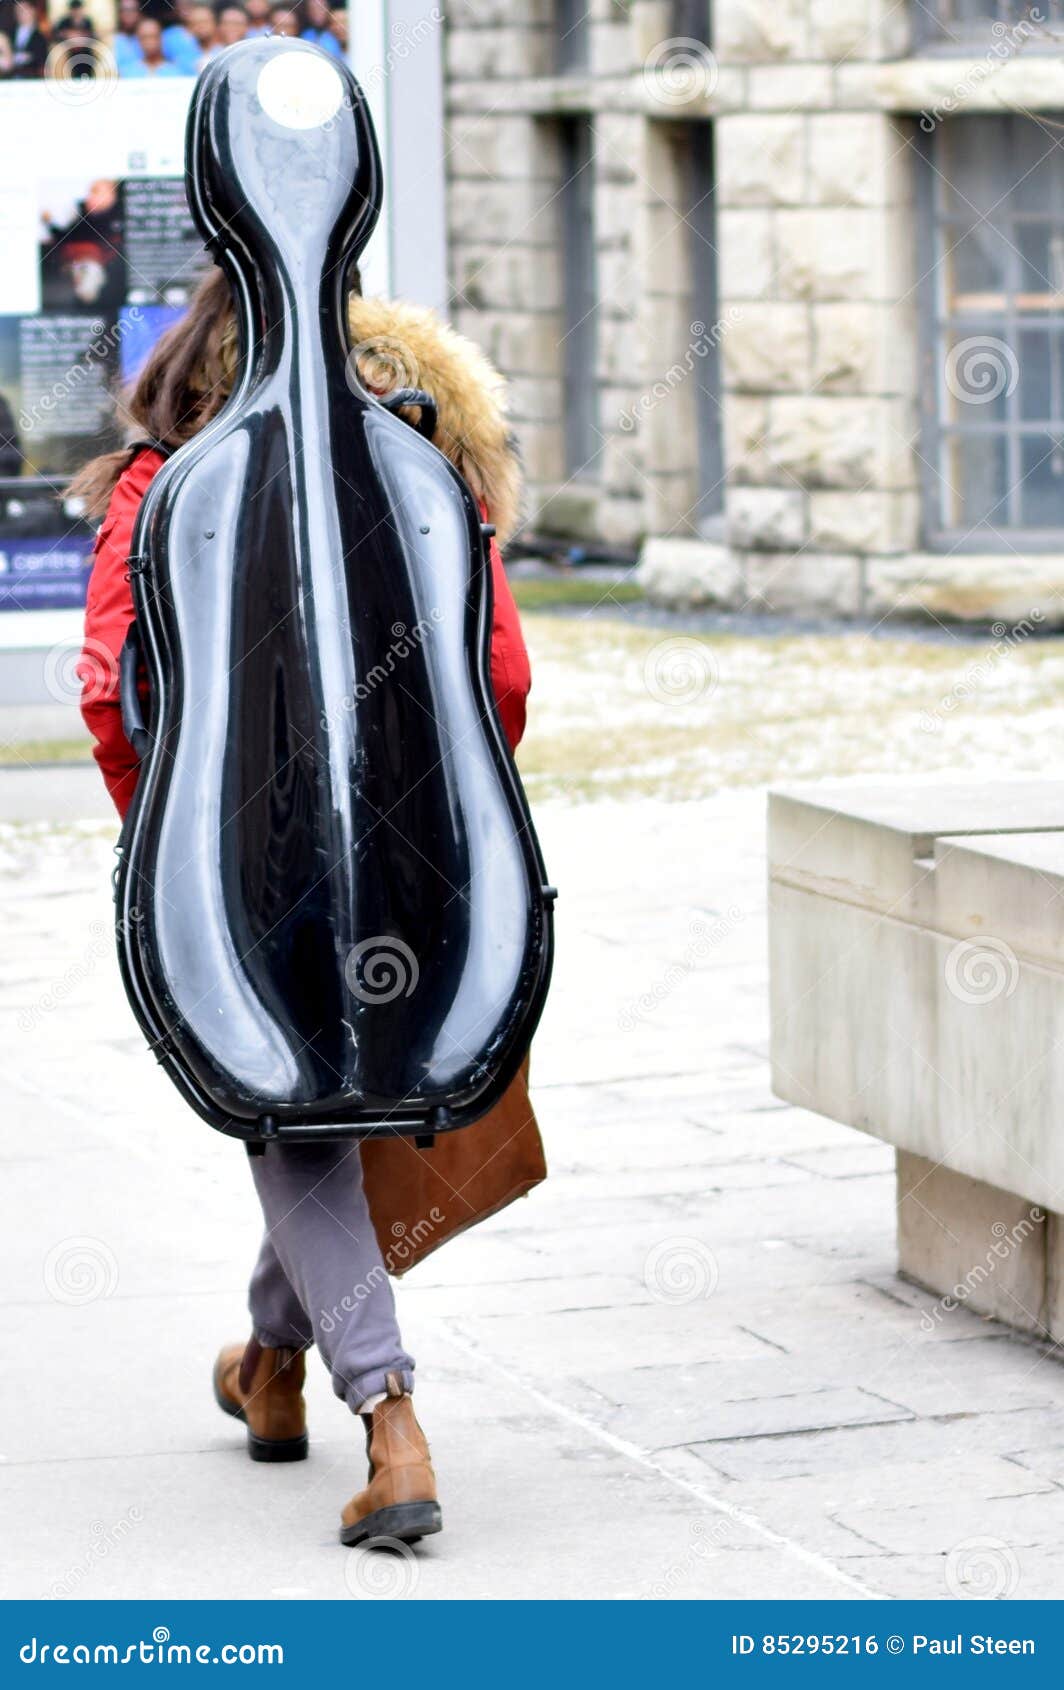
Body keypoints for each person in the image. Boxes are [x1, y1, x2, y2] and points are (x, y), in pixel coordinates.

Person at [71, 267, 530, 1548]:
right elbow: (499, 675)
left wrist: (167, 844)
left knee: (297, 1112)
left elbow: (111, 691)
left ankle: (389, 1418)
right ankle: (270, 1365)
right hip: (423, 855)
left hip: (244, 861)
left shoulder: (164, 483)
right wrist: (456, 827)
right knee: (340, 1104)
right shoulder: (416, 462)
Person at [9, 0, 47, 76]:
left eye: (23, 10)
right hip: (10, 76)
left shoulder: (41, 35)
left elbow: (42, 58)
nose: (20, 13)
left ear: (33, 11)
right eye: (17, 10)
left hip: (32, 77)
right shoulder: (9, 33)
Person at [112, 0, 143, 72]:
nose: (128, 14)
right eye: (125, 10)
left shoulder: (148, 38)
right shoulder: (111, 41)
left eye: (133, 10)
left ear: (139, 13)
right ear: (119, 14)